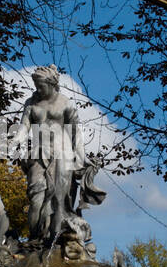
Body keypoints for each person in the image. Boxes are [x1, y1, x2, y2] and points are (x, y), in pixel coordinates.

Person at [11, 65, 103, 245]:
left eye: (40, 85)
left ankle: (54, 238)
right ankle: (35, 238)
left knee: (59, 201)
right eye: (35, 85)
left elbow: (76, 134)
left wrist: (82, 158)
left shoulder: (65, 103)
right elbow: (24, 128)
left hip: (63, 156)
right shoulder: (31, 103)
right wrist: (12, 142)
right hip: (38, 155)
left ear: (52, 84)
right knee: (36, 199)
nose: (37, 89)